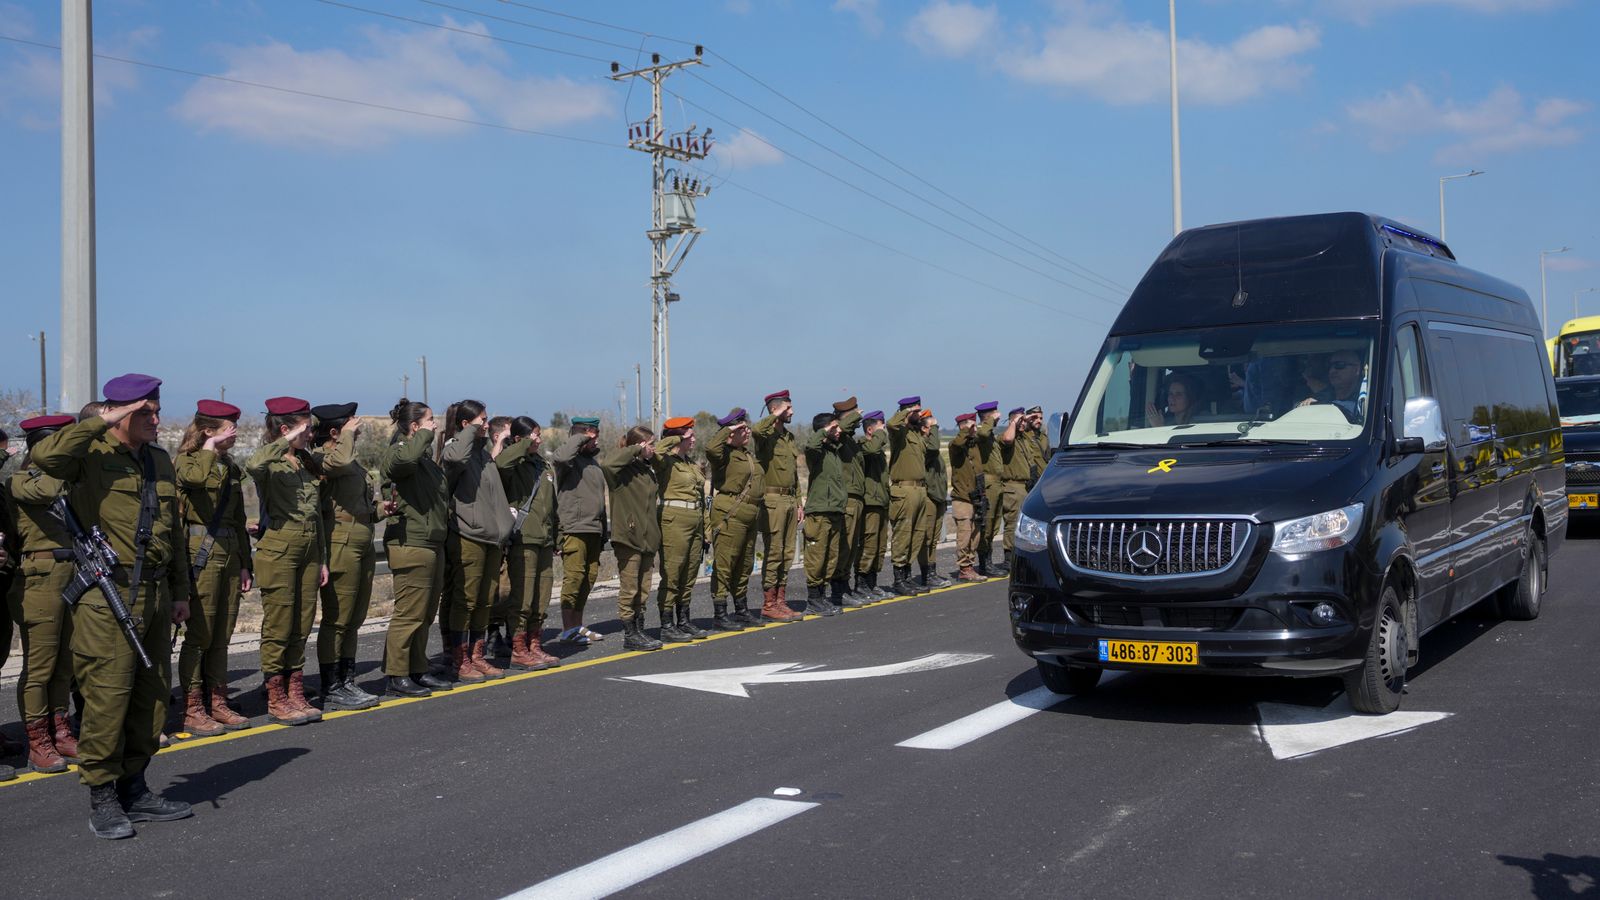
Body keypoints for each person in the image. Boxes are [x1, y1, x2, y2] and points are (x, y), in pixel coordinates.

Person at [31, 373, 192, 839]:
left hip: (157, 594)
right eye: (145, 412)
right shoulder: (88, 456)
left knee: (152, 694)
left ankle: (135, 789)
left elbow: (173, 534)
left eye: (157, 410)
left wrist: (180, 592)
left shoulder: (160, 460)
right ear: (119, 413)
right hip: (108, 596)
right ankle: (102, 795)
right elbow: (43, 456)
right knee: (107, 696)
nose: (156, 420)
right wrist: (101, 421)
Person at [173, 400, 254, 736]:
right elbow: (192, 480)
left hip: (229, 552)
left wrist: (246, 563)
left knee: (223, 632)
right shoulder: (187, 461)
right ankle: (193, 708)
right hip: (199, 551)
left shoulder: (230, 468)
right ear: (208, 430)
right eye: (228, 427)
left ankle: (218, 701)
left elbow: (237, 518)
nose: (235, 433)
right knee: (200, 634)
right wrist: (207, 448)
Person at [247, 396, 328, 726]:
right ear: (285, 428)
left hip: (308, 548)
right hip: (279, 547)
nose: (311, 434)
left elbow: (316, 516)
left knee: (302, 622)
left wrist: (322, 558)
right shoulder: (271, 463)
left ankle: (295, 689)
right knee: (279, 625)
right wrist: (284, 440)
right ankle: (276, 695)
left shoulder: (306, 463)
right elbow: (253, 465)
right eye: (306, 428)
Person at [8, 414, 81, 772]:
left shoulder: (70, 479)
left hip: (72, 572)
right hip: (39, 578)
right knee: (41, 665)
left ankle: (60, 728)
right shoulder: (21, 479)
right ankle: (38, 741)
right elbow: (49, 490)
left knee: (65, 663)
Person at [310, 402, 383, 711]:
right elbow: (338, 462)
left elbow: (358, 502)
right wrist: (346, 437)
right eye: (352, 422)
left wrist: (381, 510)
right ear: (334, 430)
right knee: (338, 618)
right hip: (341, 542)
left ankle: (347, 679)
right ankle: (331, 685)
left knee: (355, 617)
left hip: (362, 537)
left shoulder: (348, 457)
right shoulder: (323, 457)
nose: (359, 425)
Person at [379, 399, 453, 698]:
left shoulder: (421, 459)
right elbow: (403, 463)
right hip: (410, 541)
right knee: (409, 613)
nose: (435, 425)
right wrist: (422, 434)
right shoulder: (397, 453)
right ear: (414, 426)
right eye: (430, 420)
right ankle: (397, 675)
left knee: (425, 612)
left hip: (431, 540)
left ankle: (417, 667)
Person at [438, 400, 514, 683]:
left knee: (484, 601)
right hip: (468, 535)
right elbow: (454, 458)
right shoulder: (455, 450)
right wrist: (469, 430)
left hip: (491, 538)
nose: (486, 424)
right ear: (465, 425)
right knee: (465, 601)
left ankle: (477, 656)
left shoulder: (483, 456)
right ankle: (460, 660)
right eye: (481, 420)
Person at [706, 407, 785, 624]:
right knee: (725, 564)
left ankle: (741, 609)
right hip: (730, 512)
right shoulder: (723, 455)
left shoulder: (747, 455)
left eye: (747, 427)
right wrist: (729, 429)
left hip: (750, 513)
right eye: (743, 429)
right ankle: (720, 613)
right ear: (731, 432)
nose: (747, 432)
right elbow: (711, 447)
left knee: (745, 563)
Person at [496, 416, 561, 671]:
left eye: (539, 434)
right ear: (519, 438)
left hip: (543, 539)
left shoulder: (543, 465)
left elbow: (552, 505)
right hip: (523, 538)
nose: (538, 439)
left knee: (541, 597)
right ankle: (518, 649)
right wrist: (521, 445)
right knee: (522, 598)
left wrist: (558, 535)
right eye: (533, 435)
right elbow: (500, 464)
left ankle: (534, 645)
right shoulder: (515, 462)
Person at [603, 426, 664, 651]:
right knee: (629, 588)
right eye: (650, 443)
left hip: (648, 538)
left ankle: (640, 629)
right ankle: (630, 633)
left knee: (644, 587)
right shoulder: (621, 471)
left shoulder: (646, 470)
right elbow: (607, 465)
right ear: (639, 445)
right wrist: (634, 450)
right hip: (629, 537)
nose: (653, 448)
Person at [653, 417, 713, 640]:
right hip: (674, 519)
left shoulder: (689, 463)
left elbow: (701, 497)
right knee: (672, 572)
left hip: (695, 518)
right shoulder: (665, 461)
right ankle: (667, 625)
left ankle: (684, 620)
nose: (694, 438)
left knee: (689, 573)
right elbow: (657, 450)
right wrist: (677, 437)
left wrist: (706, 528)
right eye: (690, 434)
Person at [554, 416, 607, 646]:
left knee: (588, 578)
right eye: (592, 435)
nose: (596, 440)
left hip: (593, 528)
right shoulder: (568, 461)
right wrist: (582, 436)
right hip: (574, 528)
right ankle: (568, 628)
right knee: (574, 579)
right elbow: (562, 455)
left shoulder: (593, 464)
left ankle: (578, 625)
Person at [753, 390, 801, 617]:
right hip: (772, 500)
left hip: (790, 499)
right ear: (775, 410)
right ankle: (769, 604)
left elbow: (793, 474)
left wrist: (799, 502)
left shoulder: (788, 438)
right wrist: (775, 414)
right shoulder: (766, 436)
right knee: (774, 552)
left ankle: (780, 600)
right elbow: (756, 429)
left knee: (787, 553)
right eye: (787, 408)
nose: (791, 412)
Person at [802, 412, 850, 615]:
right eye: (835, 428)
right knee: (817, 557)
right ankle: (813, 599)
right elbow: (811, 445)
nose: (839, 431)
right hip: (819, 511)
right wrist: (824, 430)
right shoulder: (817, 452)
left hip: (835, 511)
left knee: (831, 557)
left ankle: (822, 596)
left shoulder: (834, 451)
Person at [832, 398, 874, 605]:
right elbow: (841, 427)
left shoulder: (850, 441)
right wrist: (856, 415)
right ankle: (838, 590)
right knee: (845, 545)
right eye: (854, 416)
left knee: (852, 546)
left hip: (857, 498)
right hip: (846, 498)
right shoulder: (838, 437)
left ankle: (846, 586)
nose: (858, 421)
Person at [886, 397, 929, 597]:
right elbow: (891, 423)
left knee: (917, 534)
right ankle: (898, 579)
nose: (920, 414)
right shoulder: (899, 433)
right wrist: (907, 411)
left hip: (920, 489)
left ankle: (908, 575)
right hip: (904, 490)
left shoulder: (916, 433)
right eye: (917, 411)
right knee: (903, 534)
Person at [854, 410, 893, 599]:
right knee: (868, 545)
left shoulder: (878, 448)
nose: (883, 428)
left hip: (881, 501)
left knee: (880, 546)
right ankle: (861, 582)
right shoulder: (863, 445)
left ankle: (872, 582)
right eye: (880, 425)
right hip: (869, 502)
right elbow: (871, 449)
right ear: (870, 429)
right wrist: (879, 434)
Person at [946, 412, 985, 581]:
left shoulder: (974, 445)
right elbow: (957, 443)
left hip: (977, 496)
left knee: (976, 534)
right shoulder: (955, 446)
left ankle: (970, 564)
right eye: (971, 425)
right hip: (962, 498)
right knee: (965, 534)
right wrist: (965, 431)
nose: (974, 428)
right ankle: (964, 568)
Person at [917, 413, 953, 589]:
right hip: (928, 496)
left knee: (934, 538)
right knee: (927, 537)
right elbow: (933, 447)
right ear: (924, 428)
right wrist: (935, 427)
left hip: (937, 496)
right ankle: (926, 574)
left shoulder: (929, 444)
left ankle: (931, 572)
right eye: (931, 427)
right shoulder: (923, 444)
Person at [996, 407, 1032, 572]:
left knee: (1024, 525)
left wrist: (1027, 420)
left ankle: (1020, 557)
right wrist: (1014, 422)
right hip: (1012, 486)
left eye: (1024, 420)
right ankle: (1008, 559)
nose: (1023, 423)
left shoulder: (1024, 439)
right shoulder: (1007, 437)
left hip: (1025, 486)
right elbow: (1008, 439)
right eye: (1020, 420)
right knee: (1012, 524)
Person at [974, 401, 1008, 577]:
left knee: (994, 525)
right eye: (995, 413)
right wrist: (989, 421)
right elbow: (982, 432)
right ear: (987, 415)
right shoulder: (982, 431)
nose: (998, 416)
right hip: (989, 484)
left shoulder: (991, 435)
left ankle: (988, 562)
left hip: (997, 483)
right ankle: (984, 563)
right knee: (986, 525)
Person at [1299, 348, 1366, 418]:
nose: (1332, 370)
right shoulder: (1320, 397)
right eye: (1330, 366)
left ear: (1357, 369)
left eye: (1339, 365)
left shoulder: (1364, 400)